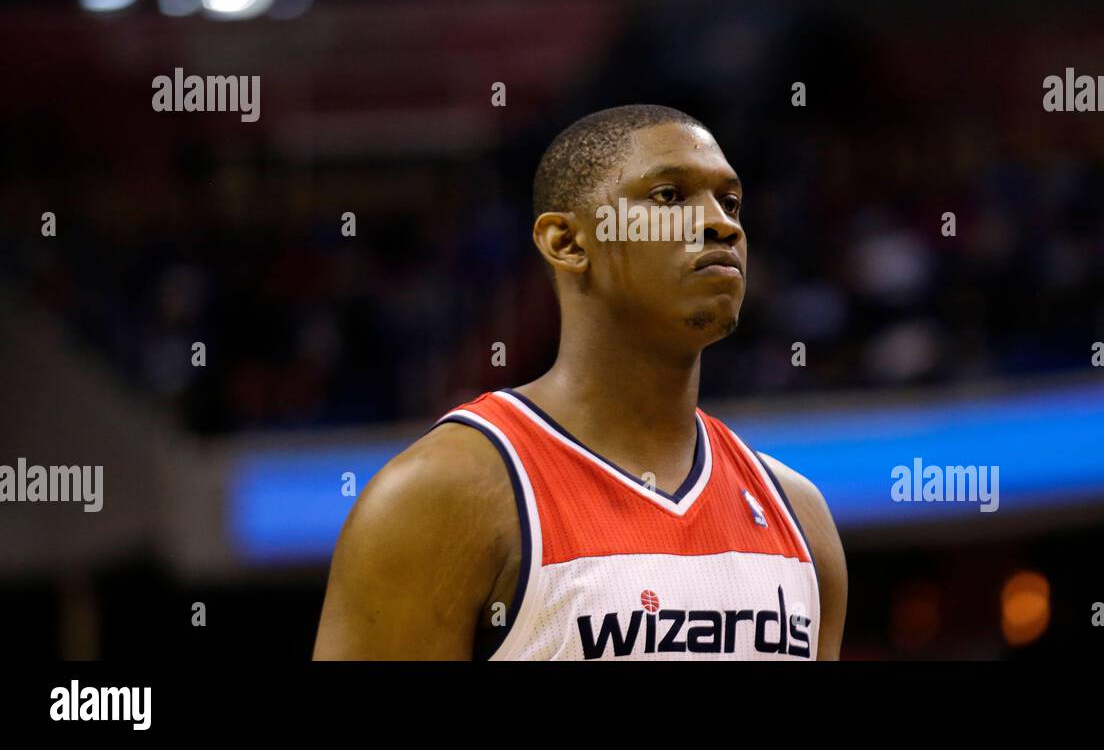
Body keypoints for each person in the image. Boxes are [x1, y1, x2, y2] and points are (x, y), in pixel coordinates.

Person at [313, 104, 847, 659]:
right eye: (668, 196)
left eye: (730, 201)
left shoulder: (799, 513)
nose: (722, 223)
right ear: (567, 242)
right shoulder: (440, 496)